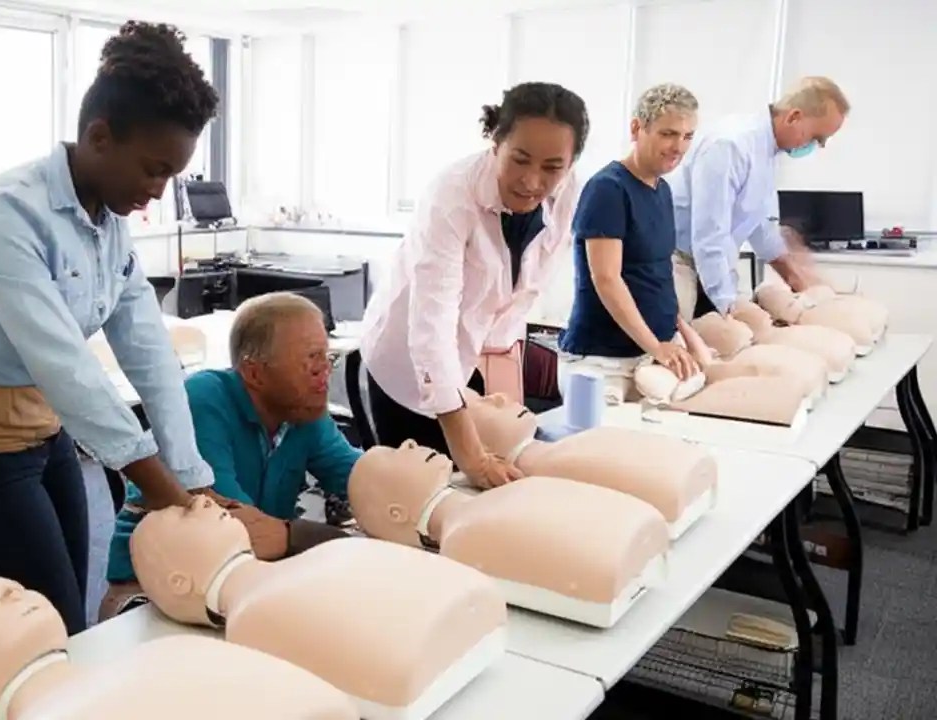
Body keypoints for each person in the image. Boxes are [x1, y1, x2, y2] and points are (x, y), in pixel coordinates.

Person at [0, 21, 217, 635]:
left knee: (64, 614)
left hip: (45, 430)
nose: (157, 191)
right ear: (99, 137)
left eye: (172, 176)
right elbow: (65, 365)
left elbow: (149, 351)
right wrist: (165, 491)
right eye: (153, 170)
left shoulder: (108, 219)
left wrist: (191, 477)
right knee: (44, 618)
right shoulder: (7, 212)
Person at [358, 82, 589, 487]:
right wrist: (472, 457)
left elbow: (523, 282)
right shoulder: (452, 197)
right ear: (495, 141)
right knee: (423, 499)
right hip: (405, 366)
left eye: (553, 167)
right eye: (520, 159)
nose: (533, 181)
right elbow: (431, 328)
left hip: (469, 357)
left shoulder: (568, 190)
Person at [100, 293, 362, 619]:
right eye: (311, 359)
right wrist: (320, 538)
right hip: (151, 592)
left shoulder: (302, 412)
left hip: (243, 575)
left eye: (327, 358)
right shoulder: (203, 402)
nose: (325, 372)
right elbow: (238, 530)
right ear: (254, 373)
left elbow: (362, 479)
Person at [557, 84, 701, 403]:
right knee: (595, 449)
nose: (679, 146)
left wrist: (682, 337)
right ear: (637, 128)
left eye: (688, 136)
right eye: (668, 134)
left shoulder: (662, 191)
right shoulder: (608, 189)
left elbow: (657, 273)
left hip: (652, 354)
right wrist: (656, 346)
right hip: (603, 359)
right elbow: (606, 279)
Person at [666, 76, 850, 319]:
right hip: (680, 263)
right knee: (681, 344)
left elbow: (761, 226)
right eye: (817, 137)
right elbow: (709, 235)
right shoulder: (730, 145)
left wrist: (797, 279)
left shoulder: (767, 151)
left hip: (712, 264)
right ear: (794, 117)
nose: (819, 146)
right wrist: (729, 306)